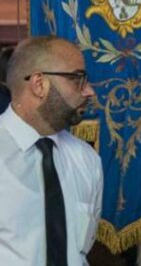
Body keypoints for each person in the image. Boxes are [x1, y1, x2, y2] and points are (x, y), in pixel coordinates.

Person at [0, 35, 103, 265]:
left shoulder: (87, 160)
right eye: (78, 79)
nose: (89, 92)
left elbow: (82, 249)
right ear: (39, 84)